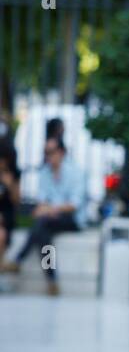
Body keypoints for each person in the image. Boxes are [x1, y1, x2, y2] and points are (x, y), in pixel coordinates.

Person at [3, 122, 86, 294]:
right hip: (50, 219)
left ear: (61, 153)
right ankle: (52, 280)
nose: (48, 157)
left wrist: (50, 209)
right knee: (43, 231)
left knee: (42, 223)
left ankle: (18, 260)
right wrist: (46, 209)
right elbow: (42, 201)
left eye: (51, 153)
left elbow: (74, 205)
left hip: (72, 219)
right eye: (45, 153)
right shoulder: (44, 173)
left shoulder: (75, 172)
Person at [0, 136, 20, 268]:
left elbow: (17, 200)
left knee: (2, 235)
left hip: (6, 214)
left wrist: (10, 184)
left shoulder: (13, 173)